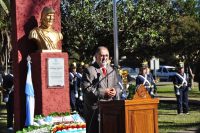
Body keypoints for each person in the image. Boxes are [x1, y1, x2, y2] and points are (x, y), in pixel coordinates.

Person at [82, 46, 120, 133]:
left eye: (106, 55)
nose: (104, 58)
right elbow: (86, 89)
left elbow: (116, 85)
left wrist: (115, 91)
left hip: (110, 109)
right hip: (95, 111)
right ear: (96, 56)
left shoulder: (111, 70)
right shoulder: (89, 70)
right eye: (102, 55)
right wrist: (104, 92)